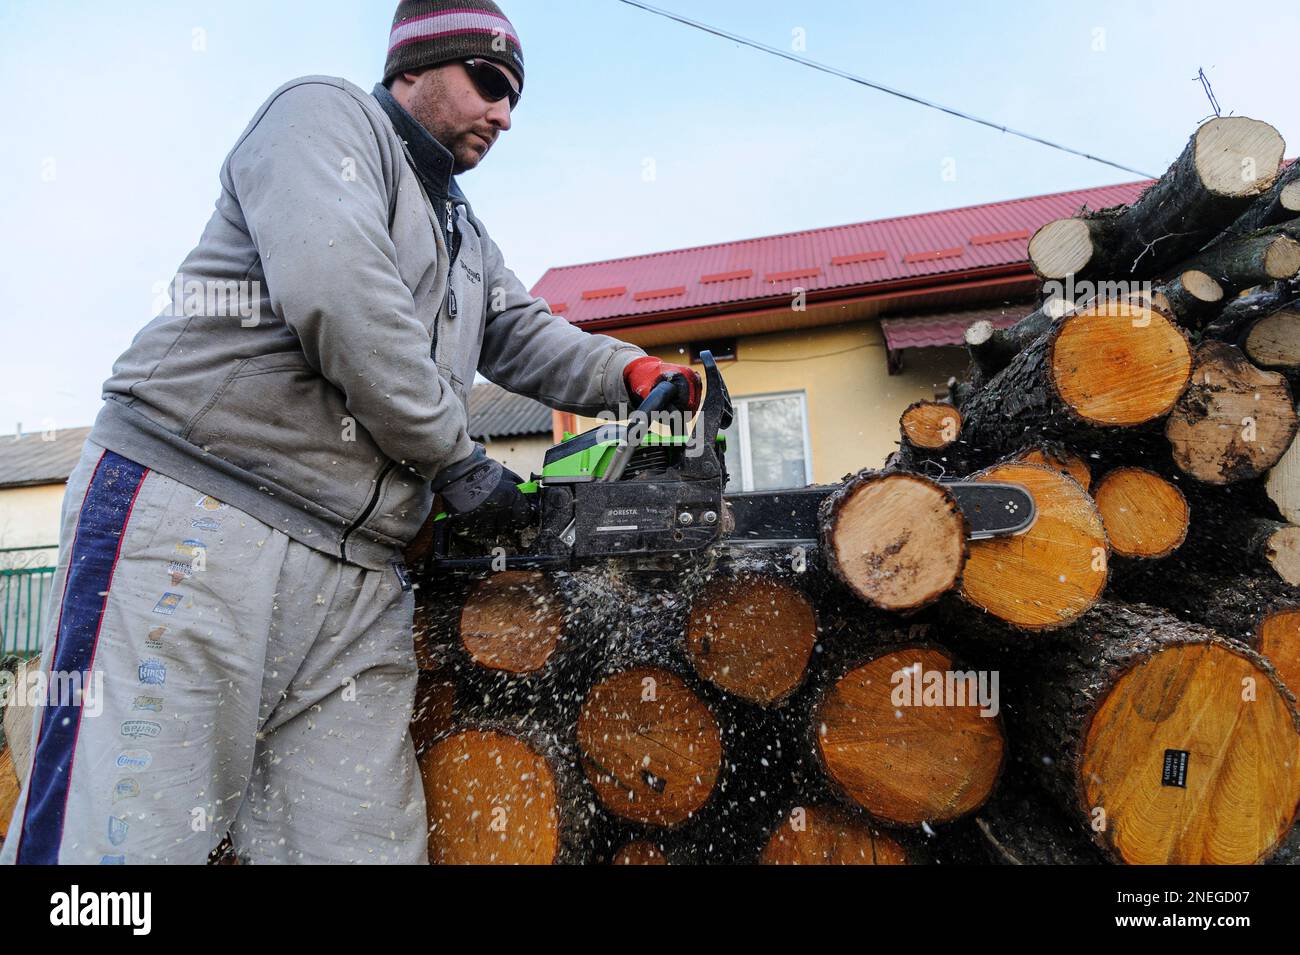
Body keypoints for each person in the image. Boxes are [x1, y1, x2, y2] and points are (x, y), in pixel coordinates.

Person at [2, 0, 699, 865]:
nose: (505, 114)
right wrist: (458, 461)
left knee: (358, 844)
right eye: (489, 82)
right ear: (414, 64)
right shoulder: (323, 119)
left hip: (360, 571)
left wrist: (626, 372)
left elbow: (521, 330)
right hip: (197, 521)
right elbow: (343, 294)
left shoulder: (463, 234)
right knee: (120, 841)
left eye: (516, 97)